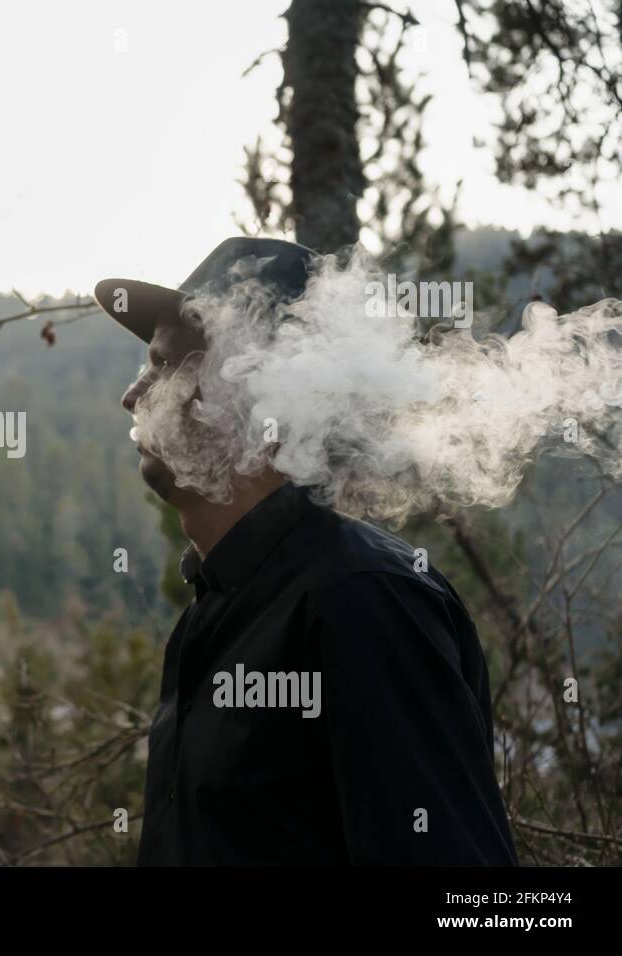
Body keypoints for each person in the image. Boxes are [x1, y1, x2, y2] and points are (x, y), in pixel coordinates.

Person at [93, 237, 519, 865]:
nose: (133, 397)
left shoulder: (363, 602)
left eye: (159, 366)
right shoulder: (217, 609)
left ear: (249, 395)